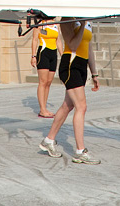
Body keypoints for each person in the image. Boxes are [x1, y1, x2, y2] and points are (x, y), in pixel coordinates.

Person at [38, 19, 100, 164]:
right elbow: (72, 45)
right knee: (81, 107)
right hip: (71, 64)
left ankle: (49, 140)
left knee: (68, 106)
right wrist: (82, 24)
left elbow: (88, 47)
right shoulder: (68, 20)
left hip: (81, 65)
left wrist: (94, 73)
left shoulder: (87, 20)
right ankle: (80, 151)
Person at [30, 20, 60, 117]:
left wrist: (62, 55)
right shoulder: (40, 23)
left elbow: (58, 40)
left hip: (53, 54)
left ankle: (45, 107)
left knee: (49, 81)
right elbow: (34, 39)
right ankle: (42, 109)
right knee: (43, 81)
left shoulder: (56, 24)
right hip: (43, 52)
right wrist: (33, 56)